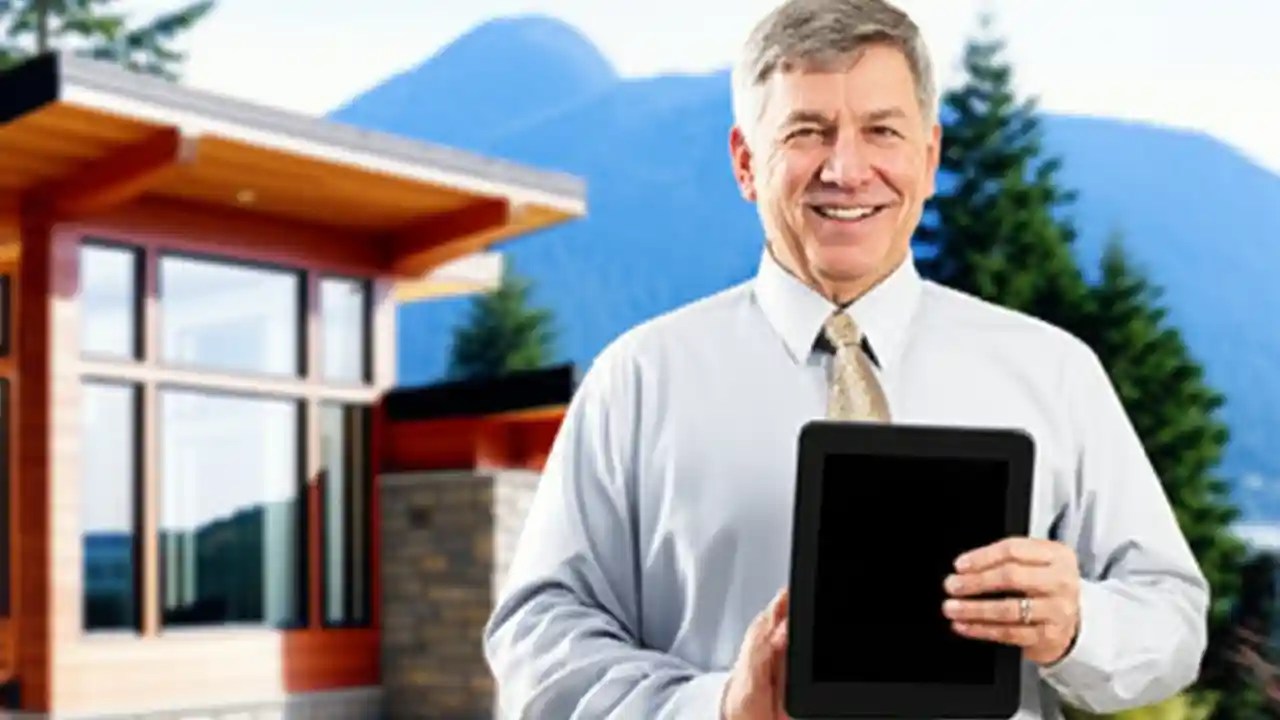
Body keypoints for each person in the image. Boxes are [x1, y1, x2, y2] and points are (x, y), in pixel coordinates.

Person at [482, 0, 1210, 717]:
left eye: (881, 131)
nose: (846, 168)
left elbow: (1172, 616)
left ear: (928, 159)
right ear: (745, 162)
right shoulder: (637, 381)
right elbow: (539, 642)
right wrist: (717, 709)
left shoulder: (1054, 371)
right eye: (808, 131)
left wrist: (1079, 625)